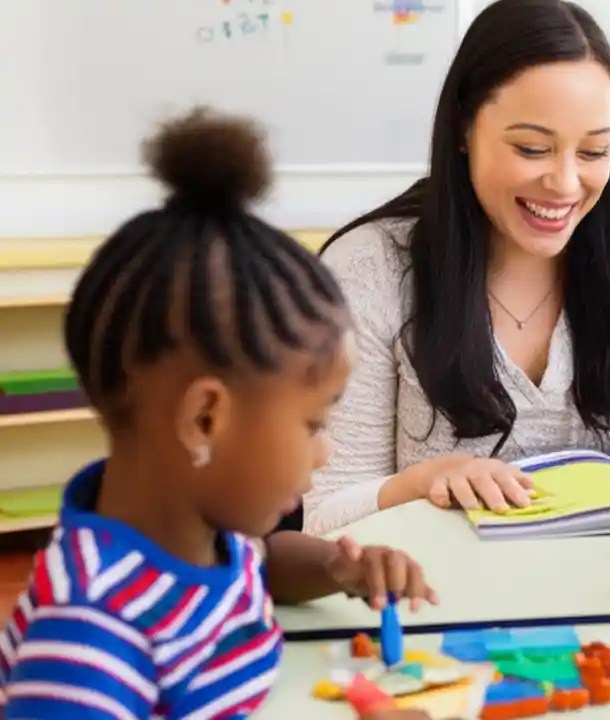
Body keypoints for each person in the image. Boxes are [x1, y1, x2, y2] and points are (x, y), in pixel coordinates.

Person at [0, 109, 436, 719]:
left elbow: (259, 565)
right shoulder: (89, 632)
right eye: (312, 425)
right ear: (205, 420)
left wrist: (341, 568)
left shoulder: (199, 534)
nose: (325, 451)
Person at [302, 0, 610, 536]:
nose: (564, 183)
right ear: (465, 129)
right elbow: (324, 517)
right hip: (446, 602)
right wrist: (423, 484)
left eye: (593, 151)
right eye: (532, 148)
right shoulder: (369, 269)